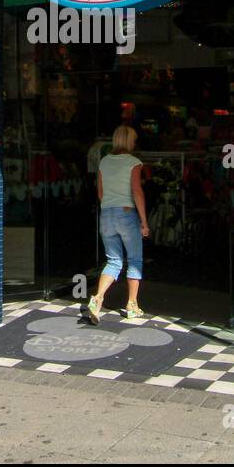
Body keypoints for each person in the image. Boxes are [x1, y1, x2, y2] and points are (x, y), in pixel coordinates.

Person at [86, 125, 150, 322]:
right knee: (135, 260)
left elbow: (100, 192)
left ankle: (98, 298)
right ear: (128, 140)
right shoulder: (134, 162)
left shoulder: (104, 161)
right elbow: (137, 191)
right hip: (127, 213)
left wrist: (109, 206)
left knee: (113, 261)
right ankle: (132, 305)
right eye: (133, 139)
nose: (134, 142)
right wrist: (145, 222)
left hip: (106, 214)